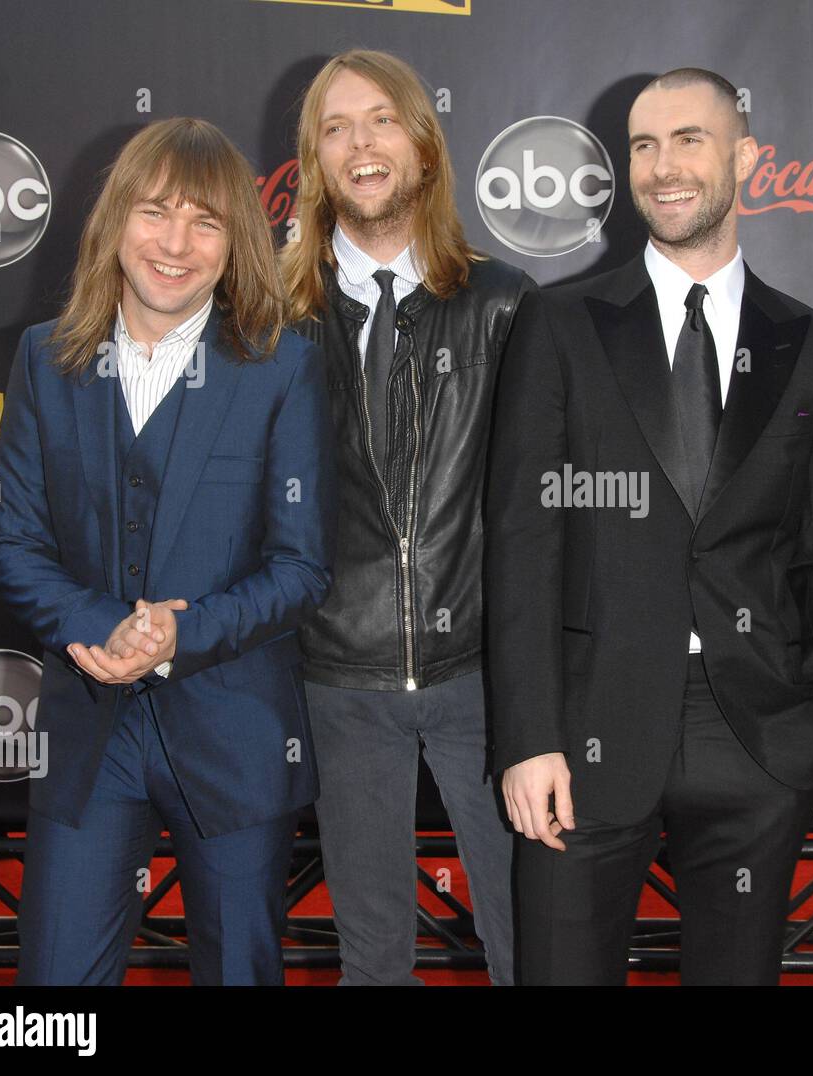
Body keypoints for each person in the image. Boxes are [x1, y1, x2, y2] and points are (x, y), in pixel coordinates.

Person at [486, 67, 813, 985]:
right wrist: (528, 736)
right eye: (644, 146)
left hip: (757, 737)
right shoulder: (561, 321)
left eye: (688, 139)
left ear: (745, 156)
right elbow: (523, 541)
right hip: (585, 731)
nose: (662, 167)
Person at [0, 117, 337, 985]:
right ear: (115, 223)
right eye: (155, 212)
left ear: (235, 243)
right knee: (55, 993)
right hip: (88, 736)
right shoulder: (44, 358)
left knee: (240, 974)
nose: (175, 244)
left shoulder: (281, 366)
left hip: (237, 732)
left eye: (206, 222)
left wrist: (182, 635)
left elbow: (303, 566)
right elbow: (12, 540)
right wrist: (101, 628)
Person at [282, 50, 532, 986]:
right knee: (374, 959)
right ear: (315, 161)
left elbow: (540, 512)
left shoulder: (506, 306)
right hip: (336, 679)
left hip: (484, 676)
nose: (362, 143)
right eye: (336, 127)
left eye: (382, 119)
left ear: (423, 147)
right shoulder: (273, 323)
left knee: (529, 947)